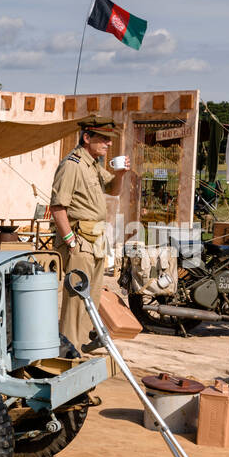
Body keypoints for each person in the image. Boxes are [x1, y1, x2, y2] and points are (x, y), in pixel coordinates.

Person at [50, 118, 128, 352]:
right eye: (103, 138)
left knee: (90, 300)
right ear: (87, 138)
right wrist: (70, 242)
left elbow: (113, 190)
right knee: (75, 303)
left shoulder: (92, 164)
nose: (107, 143)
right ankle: (68, 351)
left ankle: (80, 347)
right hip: (80, 241)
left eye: (109, 139)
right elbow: (57, 207)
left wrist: (121, 173)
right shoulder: (72, 164)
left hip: (95, 241)